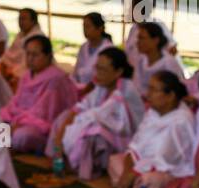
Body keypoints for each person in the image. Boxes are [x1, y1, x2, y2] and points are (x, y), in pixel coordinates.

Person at [48, 47, 144, 180]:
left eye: (102, 70)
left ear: (118, 72)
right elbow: (82, 108)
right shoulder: (101, 86)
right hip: (21, 121)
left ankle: (81, 167)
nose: (97, 73)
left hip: (124, 136)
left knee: (93, 131)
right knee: (64, 118)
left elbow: (113, 122)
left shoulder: (125, 91)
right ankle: (60, 155)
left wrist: (81, 120)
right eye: (97, 68)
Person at [109, 70, 196, 188]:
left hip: (168, 171)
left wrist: (134, 172)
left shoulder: (182, 120)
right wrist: (128, 170)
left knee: (148, 180)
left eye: (153, 90)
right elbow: (135, 146)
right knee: (115, 161)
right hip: (142, 165)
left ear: (170, 96)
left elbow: (165, 160)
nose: (147, 94)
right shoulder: (153, 112)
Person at [0, 35, 77, 153]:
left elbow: (44, 112)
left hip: (42, 128)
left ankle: (13, 149)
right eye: (28, 54)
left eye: (35, 55)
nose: (30, 59)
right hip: (20, 119)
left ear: (48, 56)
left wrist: (19, 122)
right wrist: (11, 116)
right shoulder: (27, 75)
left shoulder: (56, 78)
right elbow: (16, 100)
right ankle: (4, 152)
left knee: (21, 136)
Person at [132, 21, 185, 91]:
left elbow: (177, 89)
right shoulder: (140, 60)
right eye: (138, 38)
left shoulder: (169, 63)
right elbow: (136, 86)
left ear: (155, 40)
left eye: (141, 38)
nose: (137, 42)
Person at [73, 12, 113, 91]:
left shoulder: (108, 49)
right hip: (80, 89)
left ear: (100, 28)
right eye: (84, 26)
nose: (84, 30)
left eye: (88, 27)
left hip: (98, 91)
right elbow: (76, 72)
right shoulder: (84, 47)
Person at [0, 7, 43, 79]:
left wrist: (12, 72)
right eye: (19, 19)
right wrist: (4, 64)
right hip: (15, 68)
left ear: (33, 21)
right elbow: (10, 53)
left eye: (24, 19)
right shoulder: (20, 34)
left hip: (28, 72)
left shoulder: (37, 37)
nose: (20, 22)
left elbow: (28, 64)